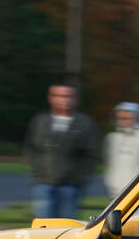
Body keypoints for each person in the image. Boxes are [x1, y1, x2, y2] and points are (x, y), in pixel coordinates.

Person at [24, 82, 100, 220]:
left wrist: (79, 178)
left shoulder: (85, 123)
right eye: (59, 96)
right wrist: (38, 172)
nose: (64, 99)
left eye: (68, 96)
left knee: (67, 228)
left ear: (75, 99)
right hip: (43, 184)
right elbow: (31, 149)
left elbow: (92, 154)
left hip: (71, 186)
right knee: (43, 226)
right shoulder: (40, 121)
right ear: (51, 98)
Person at [104, 102, 139, 199]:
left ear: (138, 118)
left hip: (138, 188)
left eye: (127, 118)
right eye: (120, 118)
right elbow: (110, 163)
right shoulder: (113, 138)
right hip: (115, 189)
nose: (123, 121)